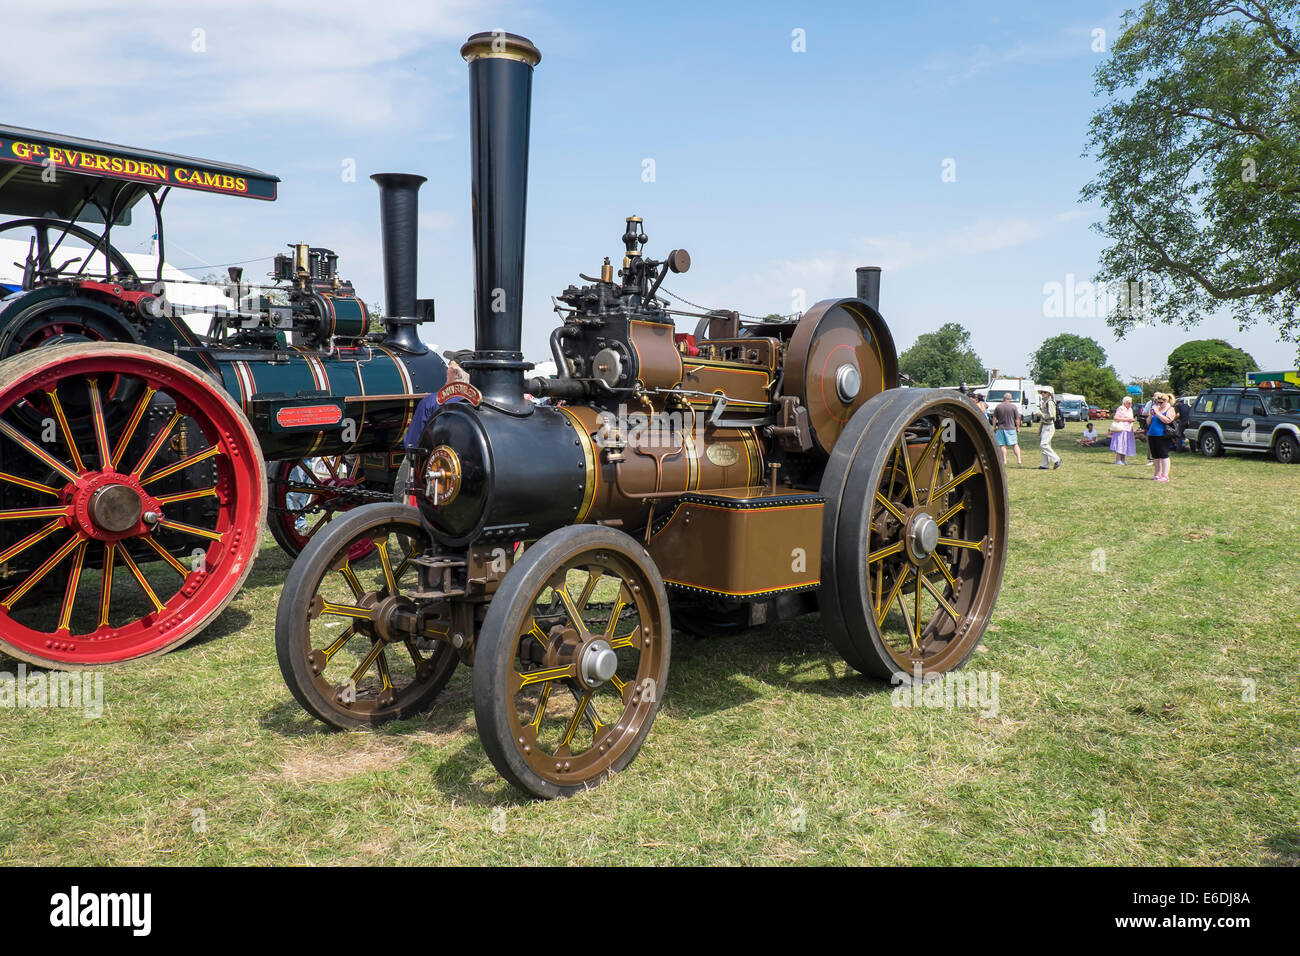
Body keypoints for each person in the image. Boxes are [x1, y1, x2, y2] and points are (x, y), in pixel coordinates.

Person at [1146, 391, 1177, 482]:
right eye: (1157, 402)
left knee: (1163, 455)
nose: (1158, 404)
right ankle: (1157, 473)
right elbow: (1148, 422)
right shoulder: (1155, 410)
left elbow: (1167, 420)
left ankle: (1165, 475)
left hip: (1162, 435)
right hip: (1152, 434)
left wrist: (1158, 413)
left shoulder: (1170, 409)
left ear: (1166, 402)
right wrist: (1151, 415)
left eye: (1161, 403)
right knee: (1155, 455)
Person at [992, 392, 1022, 466]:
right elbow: (1017, 419)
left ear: (1003, 398)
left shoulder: (998, 406)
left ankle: (1004, 460)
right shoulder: (1013, 407)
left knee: (1002, 445)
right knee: (1015, 444)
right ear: (1010, 399)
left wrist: (994, 427)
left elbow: (994, 418)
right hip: (1011, 428)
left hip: (1001, 428)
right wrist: (1018, 428)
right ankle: (1019, 459)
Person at [1036, 386, 1061, 470]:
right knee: (1045, 445)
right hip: (1045, 425)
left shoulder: (1050, 402)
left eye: (1045, 392)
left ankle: (1056, 459)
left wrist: (1041, 414)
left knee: (1044, 444)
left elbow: (1051, 415)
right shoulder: (1044, 402)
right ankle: (1044, 464)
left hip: (1049, 426)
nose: (1043, 393)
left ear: (1049, 393)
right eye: (1042, 392)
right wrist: (1040, 428)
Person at [1110, 396, 1136, 464]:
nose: (1130, 404)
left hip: (1129, 429)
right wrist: (1127, 419)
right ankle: (1118, 460)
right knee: (1121, 444)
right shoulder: (1121, 408)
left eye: (1131, 403)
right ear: (1125, 402)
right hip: (1121, 428)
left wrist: (1132, 420)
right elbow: (1116, 418)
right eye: (1128, 403)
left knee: (1126, 444)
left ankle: (1123, 459)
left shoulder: (1130, 409)